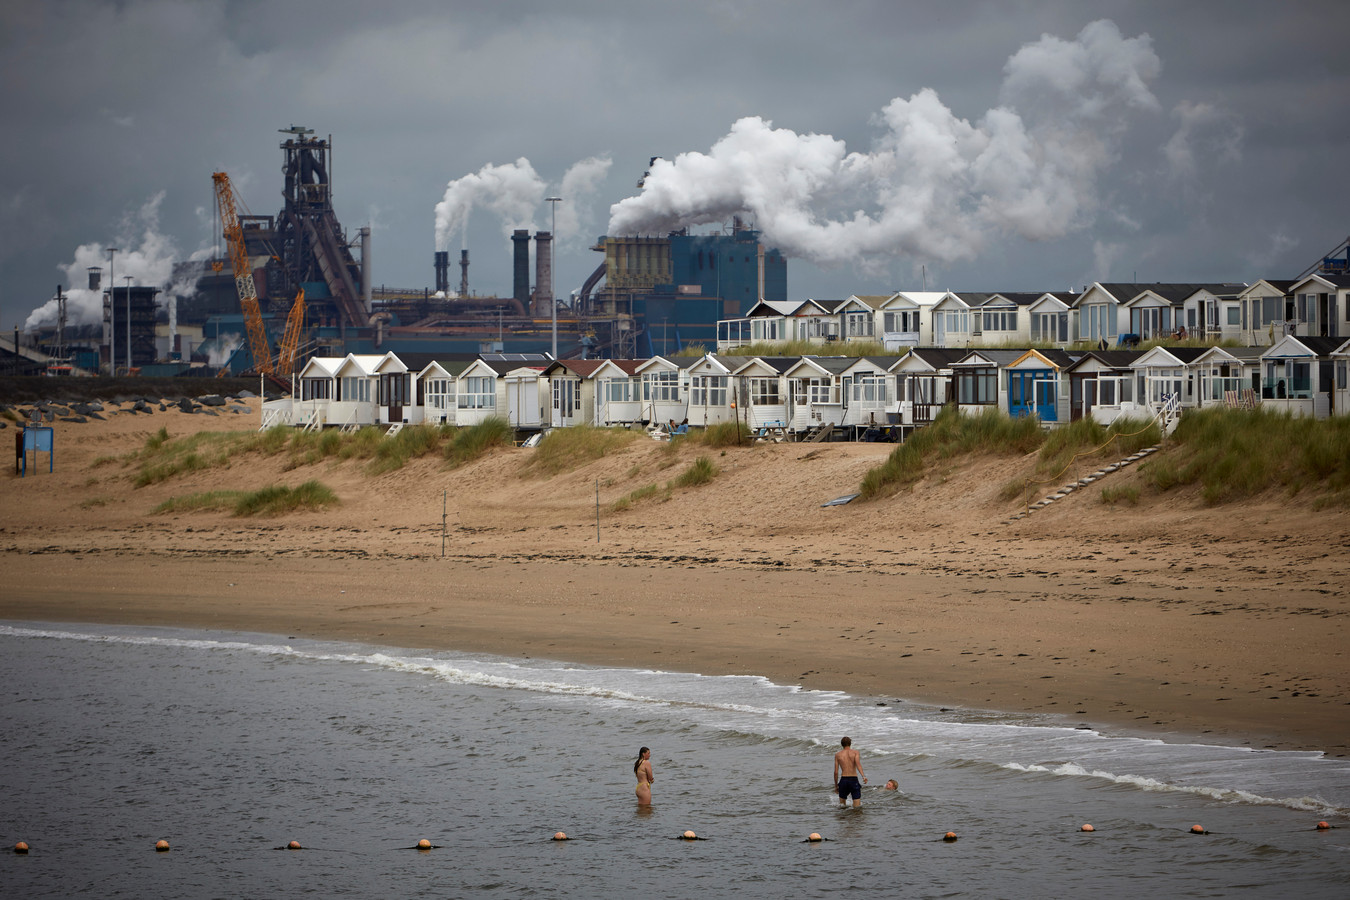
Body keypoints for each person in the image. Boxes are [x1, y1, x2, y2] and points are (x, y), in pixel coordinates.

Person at [833, 736, 866, 807]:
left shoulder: (837, 755)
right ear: (850, 743)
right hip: (853, 779)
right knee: (857, 807)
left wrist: (836, 786)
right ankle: (855, 817)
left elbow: (836, 772)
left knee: (842, 806)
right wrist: (863, 776)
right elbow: (858, 764)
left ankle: (844, 817)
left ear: (842, 744)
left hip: (843, 780)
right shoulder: (855, 752)